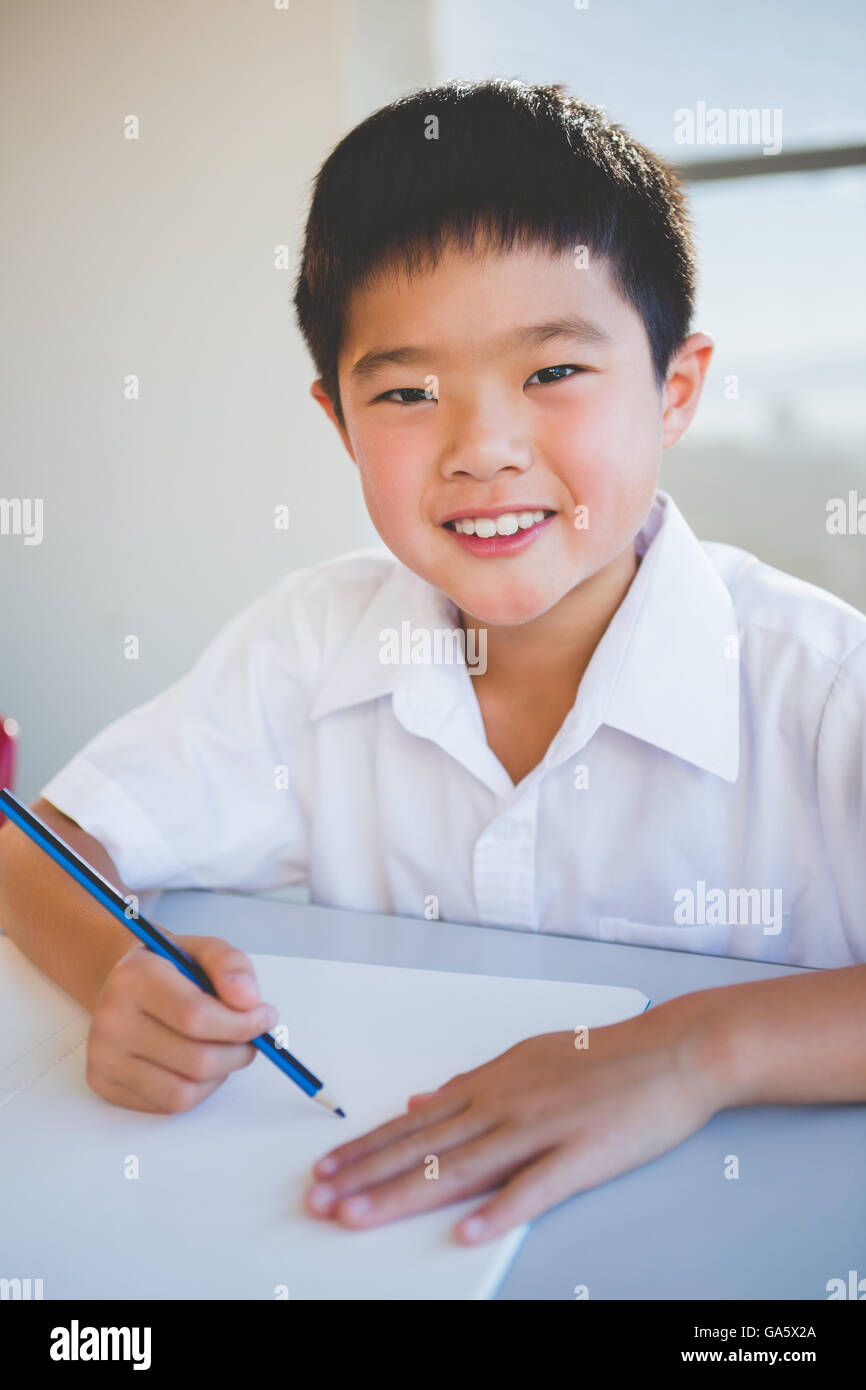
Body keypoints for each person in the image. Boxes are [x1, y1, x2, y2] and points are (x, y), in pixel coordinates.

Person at [1, 80, 864, 1246]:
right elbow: (36, 849)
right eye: (406, 392)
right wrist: (118, 974)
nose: (481, 449)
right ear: (338, 422)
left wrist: (691, 1050)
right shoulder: (312, 645)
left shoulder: (816, 683)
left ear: (674, 387)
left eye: (551, 372)